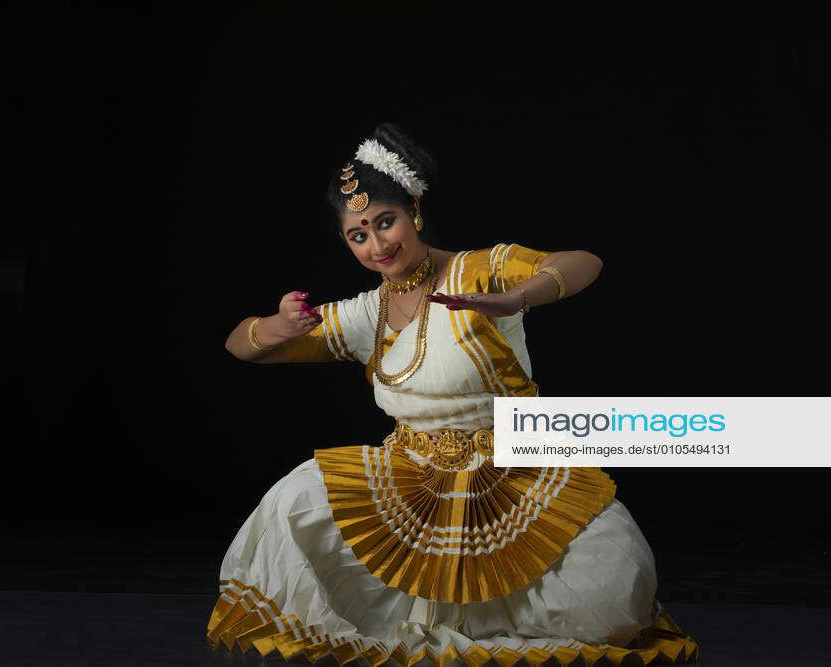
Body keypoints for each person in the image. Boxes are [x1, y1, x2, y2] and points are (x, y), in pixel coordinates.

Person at [207, 123, 700, 666]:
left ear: (414, 211)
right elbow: (241, 345)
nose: (378, 246)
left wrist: (517, 298)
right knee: (290, 509)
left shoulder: (479, 271)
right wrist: (278, 326)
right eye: (358, 235)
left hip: (512, 472)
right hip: (410, 480)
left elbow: (583, 261)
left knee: (617, 590)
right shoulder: (363, 314)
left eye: (386, 223)